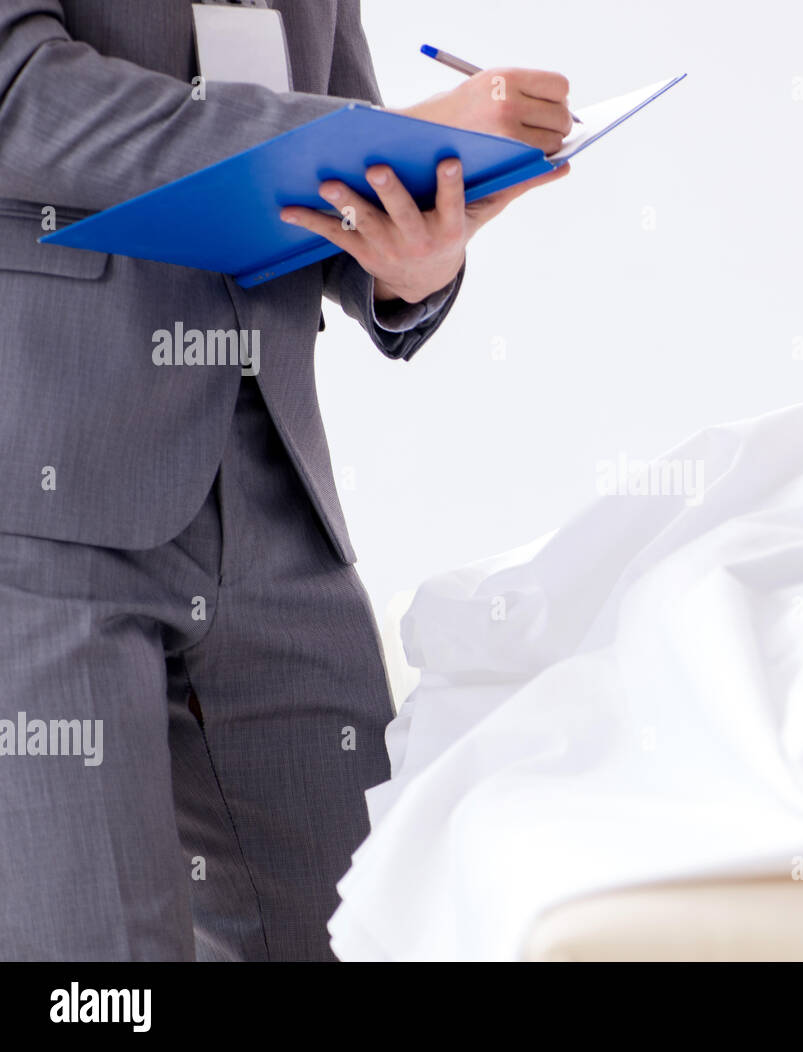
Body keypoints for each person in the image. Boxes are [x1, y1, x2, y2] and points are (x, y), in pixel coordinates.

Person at [0, 0, 571, 960]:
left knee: (364, 933)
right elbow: (19, 90)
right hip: (50, 483)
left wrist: (414, 254)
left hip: (275, 490)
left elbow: (339, 156)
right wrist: (351, 139)